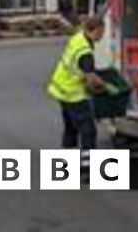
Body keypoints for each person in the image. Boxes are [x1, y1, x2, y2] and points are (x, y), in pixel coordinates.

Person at [46, 17, 107, 176]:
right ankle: (87, 168)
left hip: (61, 89)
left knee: (71, 128)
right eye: (102, 31)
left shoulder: (78, 38)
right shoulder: (85, 52)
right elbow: (91, 79)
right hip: (74, 94)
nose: (103, 35)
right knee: (88, 131)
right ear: (96, 30)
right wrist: (105, 85)